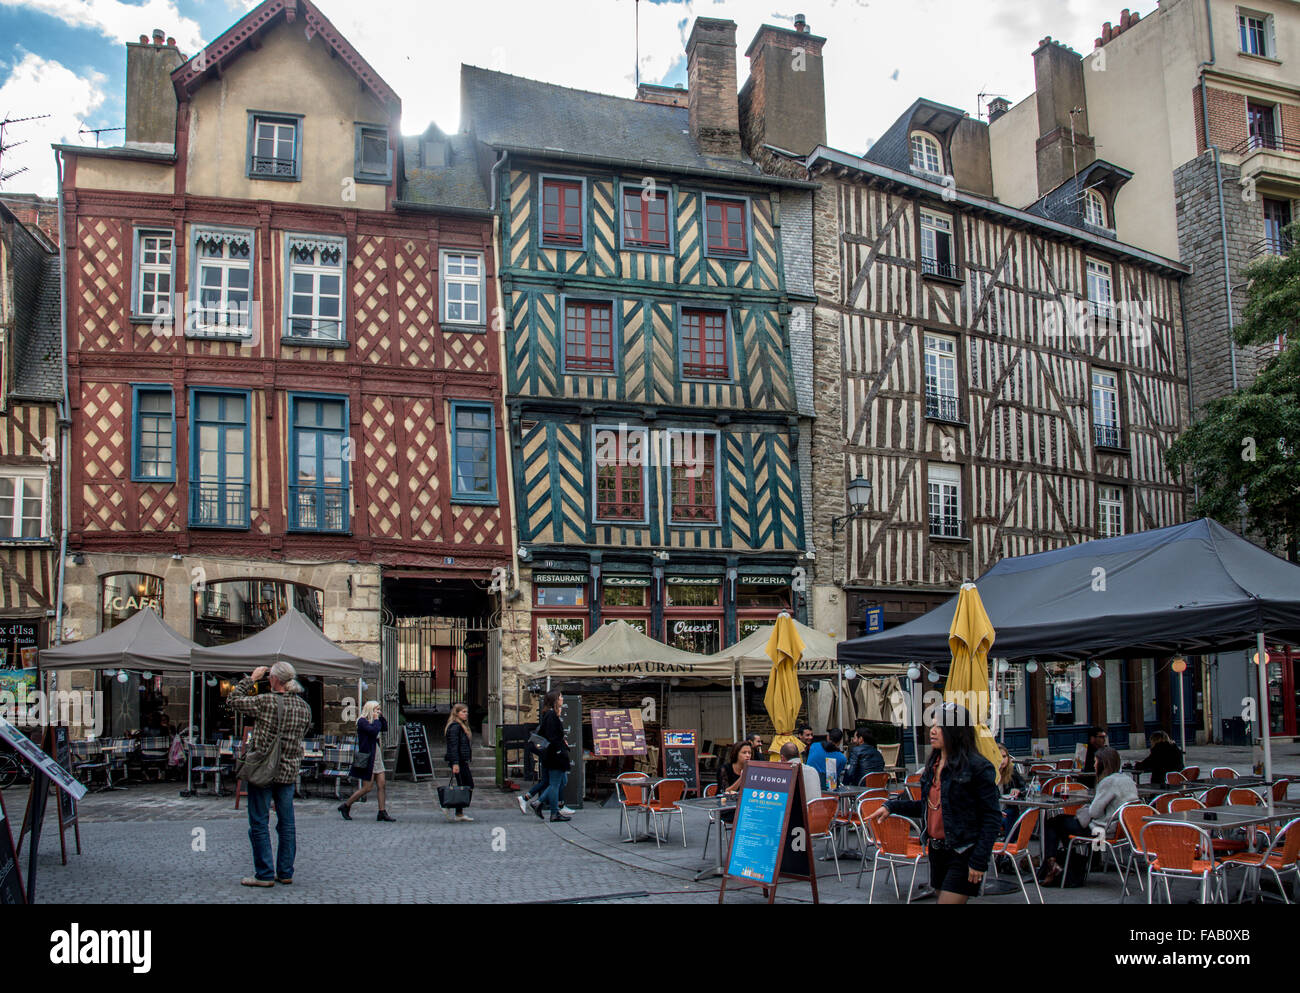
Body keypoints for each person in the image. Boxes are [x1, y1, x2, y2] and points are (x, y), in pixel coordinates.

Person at [867, 703, 1002, 904]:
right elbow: (929, 806)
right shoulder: (933, 765)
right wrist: (892, 806)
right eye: (932, 725)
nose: (932, 730)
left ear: (955, 731)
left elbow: (992, 817)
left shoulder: (978, 766)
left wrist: (979, 859)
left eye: (940, 726)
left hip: (963, 851)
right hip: (937, 851)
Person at [227, 661, 311, 888]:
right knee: (287, 823)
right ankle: (285, 871)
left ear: (274, 679)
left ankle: (264, 873)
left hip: (263, 768)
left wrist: (252, 679)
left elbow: (233, 701)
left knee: (259, 822)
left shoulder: (265, 701)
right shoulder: (304, 707)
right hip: (288, 770)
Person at [1038, 746, 1137, 885]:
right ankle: (1067, 865)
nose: (1094, 764)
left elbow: (1094, 812)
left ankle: (1052, 863)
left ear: (1103, 763)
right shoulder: (1127, 780)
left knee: (1053, 822)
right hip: (1121, 830)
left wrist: (1086, 809)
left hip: (1102, 831)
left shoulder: (1108, 782)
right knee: (1062, 825)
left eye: (1096, 761)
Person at [338, 701, 395, 822]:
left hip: (377, 754)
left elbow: (384, 727)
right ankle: (346, 805)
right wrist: (375, 720)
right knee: (367, 787)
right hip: (369, 756)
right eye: (376, 709)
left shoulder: (376, 720)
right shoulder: (362, 721)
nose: (378, 711)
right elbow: (373, 731)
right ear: (370, 709)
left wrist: (381, 717)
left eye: (379, 709)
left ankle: (382, 811)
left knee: (382, 784)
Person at [537, 690, 573, 822]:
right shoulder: (551, 715)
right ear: (555, 700)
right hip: (555, 756)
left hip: (552, 755)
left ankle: (540, 803)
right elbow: (552, 737)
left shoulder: (550, 715)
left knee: (561, 781)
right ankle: (553, 812)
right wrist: (560, 747)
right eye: (561, 697)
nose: (562, 699)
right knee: (554, 784)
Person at [443, 702, 475, 823]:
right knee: (466, 785)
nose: (466, 714)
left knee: (465, 786)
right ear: (456, 713)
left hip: (462, 760)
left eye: (466, 712)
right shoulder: (455, 727)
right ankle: (450, 807)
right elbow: (453, 746)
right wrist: (455, 763)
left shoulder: (461, 726)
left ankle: (459, 812)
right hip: (458, 761)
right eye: (463, 712)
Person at [996, 742, 1026, 835]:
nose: (1003, 760)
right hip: (992, 812)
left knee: (1012, 814)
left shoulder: (1012, 772)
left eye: (1005, 757)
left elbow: (1025, 787)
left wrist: (1019, 790)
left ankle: (1008, 844)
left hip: (1007, 810)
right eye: (999, 756)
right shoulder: (987, 774)